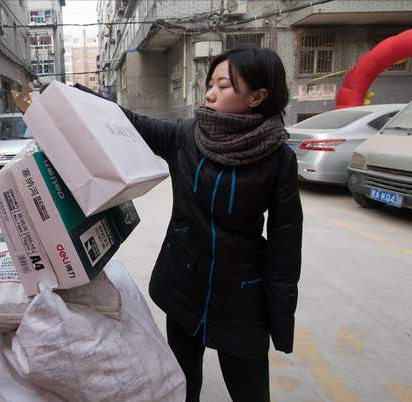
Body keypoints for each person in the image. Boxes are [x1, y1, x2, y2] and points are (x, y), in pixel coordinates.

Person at [80, 46, 303, 402]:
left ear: (257, 97)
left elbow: (285, 243)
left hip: (242, 296)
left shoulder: (278, 159)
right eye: (210, 83)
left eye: (224, 86)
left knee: (250, 391)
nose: (210, 93)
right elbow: (133, 123)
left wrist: (281, 318)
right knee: (183, 385)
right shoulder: (187, 137)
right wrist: (77, 96)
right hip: (183, 285)